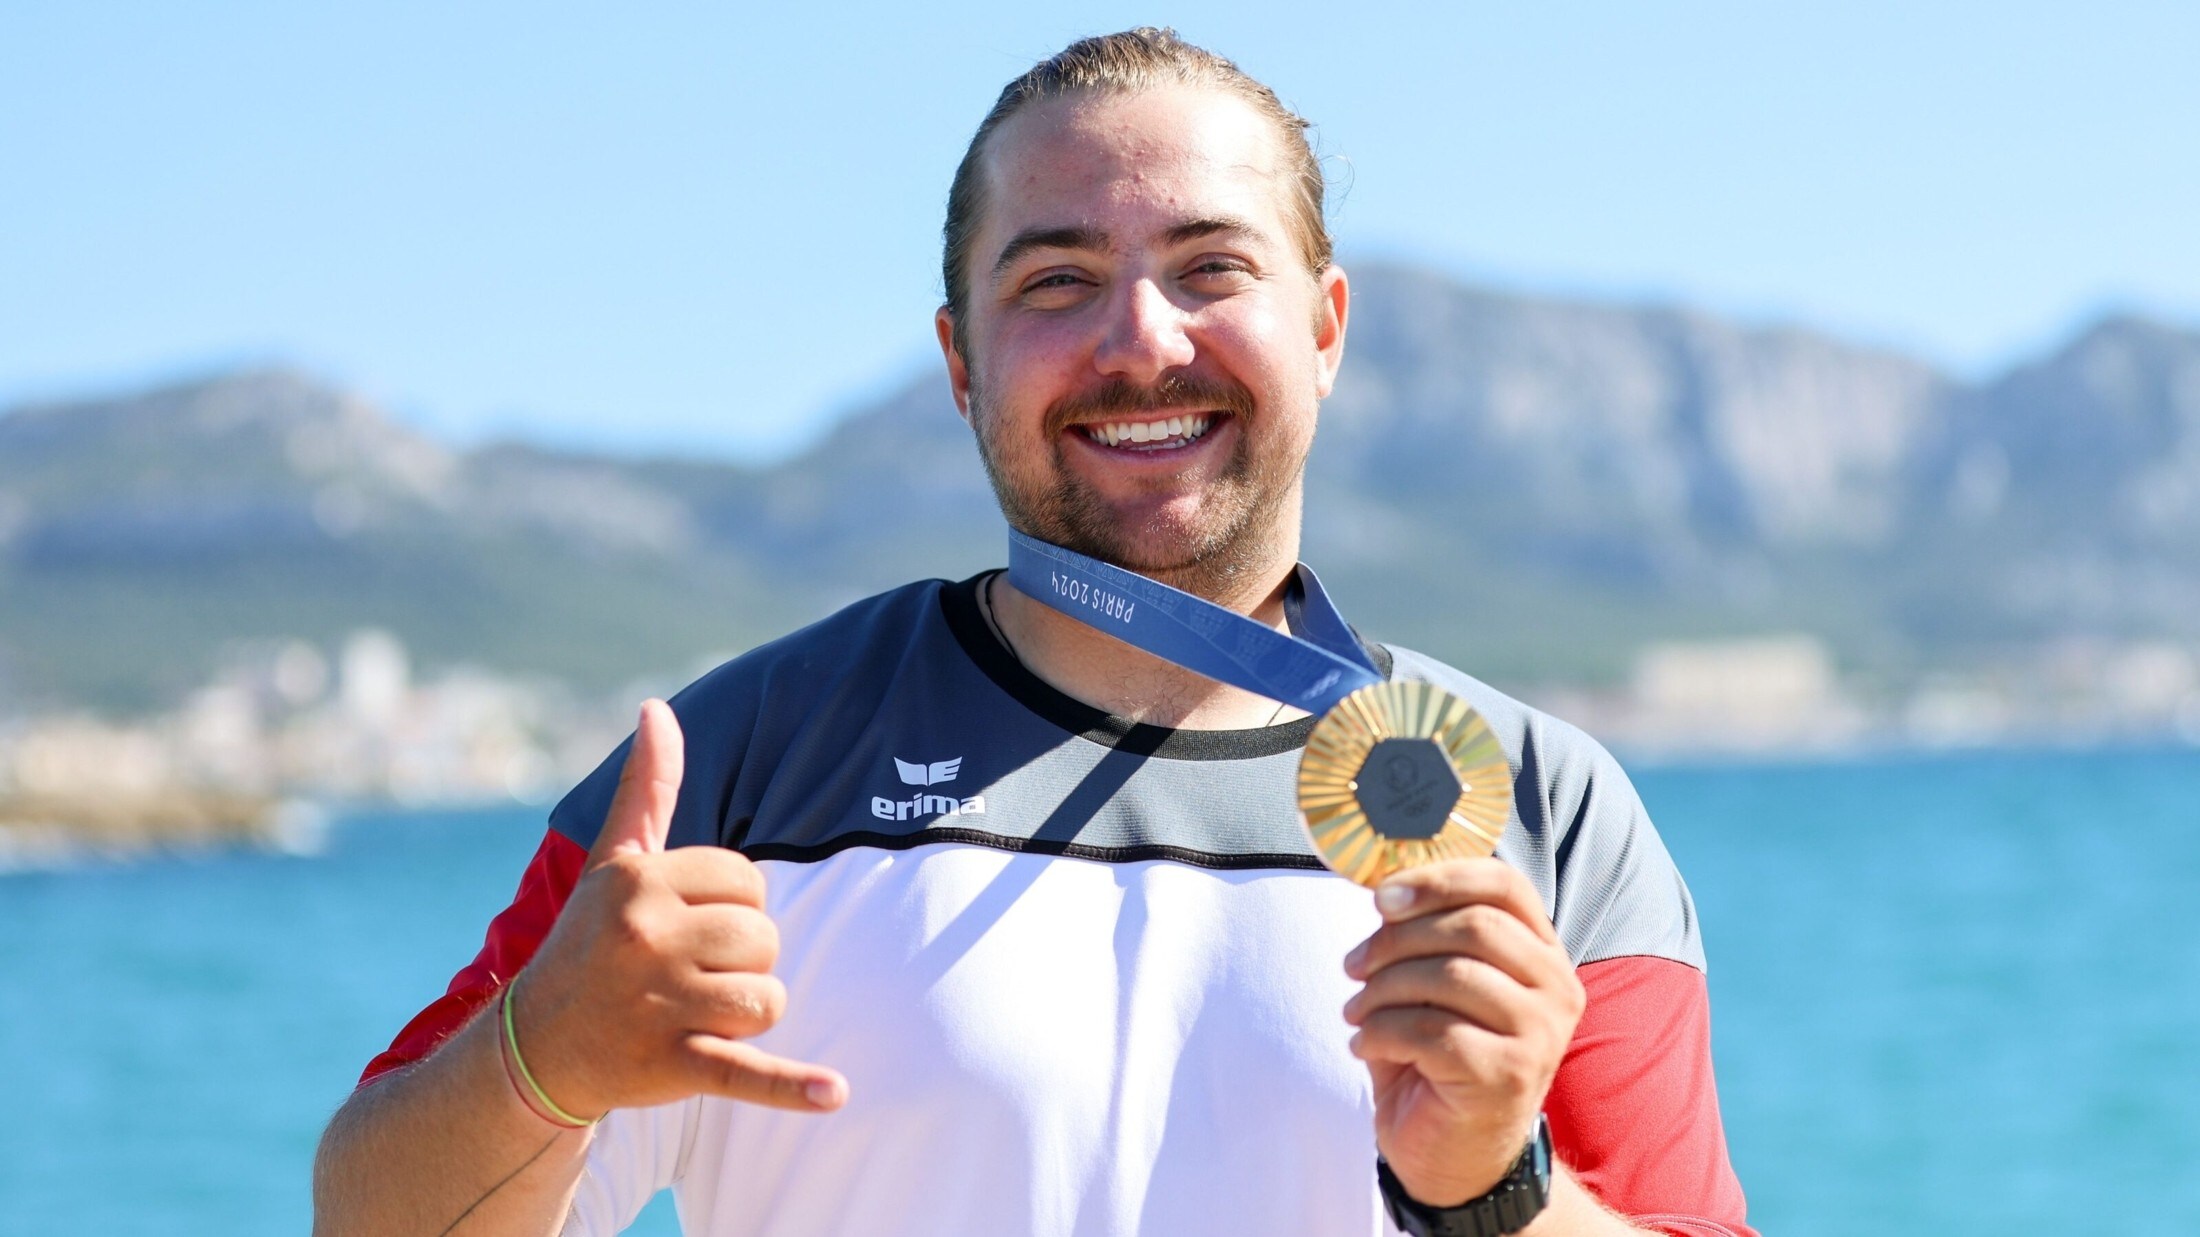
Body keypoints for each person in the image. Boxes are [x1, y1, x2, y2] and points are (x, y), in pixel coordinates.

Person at [313, 28, 1753, 1237]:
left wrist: (1498, 1193)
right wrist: (543, 1062)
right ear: (959, 359)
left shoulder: (1540, 800)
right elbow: (362, 1217)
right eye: (1056, 280)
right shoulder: (727, 771)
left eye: (1209, 268)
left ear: (1323, 328)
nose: (1141, 338)